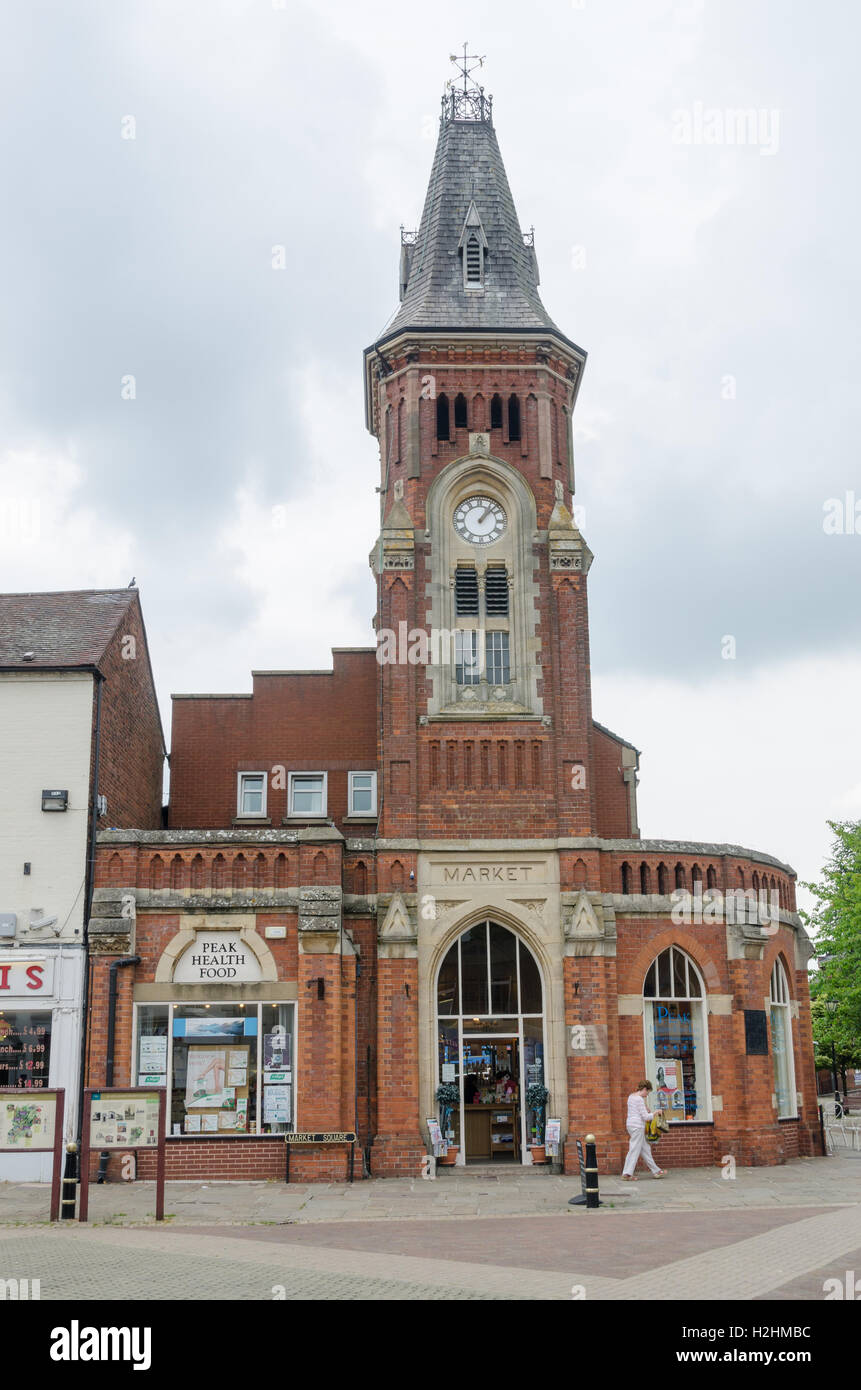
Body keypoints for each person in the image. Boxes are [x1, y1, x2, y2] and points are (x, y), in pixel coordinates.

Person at [621, 1079, 665, 1181]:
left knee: (645, 1149)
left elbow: (637, 1110)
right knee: (634, 1149)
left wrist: (646, 1108)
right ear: (645, 1089)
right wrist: (656, 1112)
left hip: (631, 1125)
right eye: (648, 1092)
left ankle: (656, 1171)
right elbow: (646, 1117)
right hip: (637, 1126)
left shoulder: (631, 1096)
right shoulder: (639, 1099)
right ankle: (627, 1174)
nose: (647, 1095)